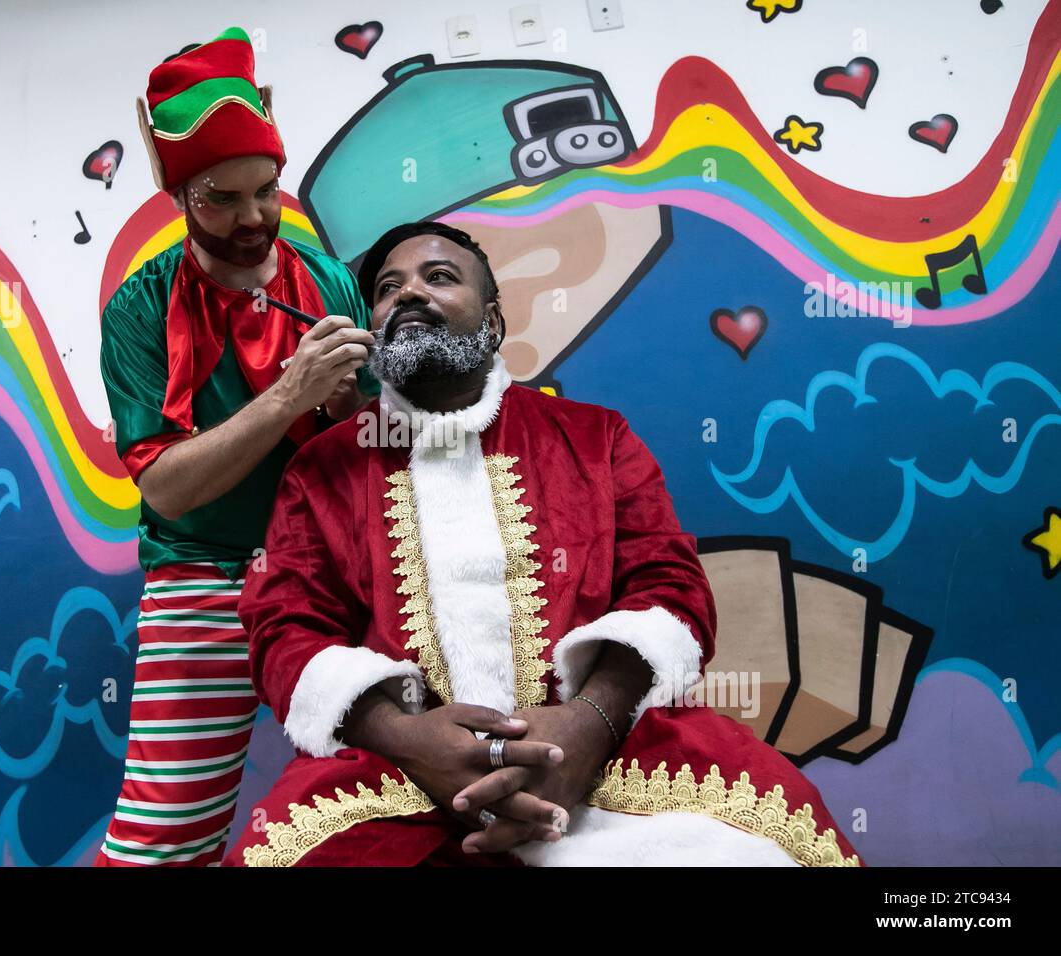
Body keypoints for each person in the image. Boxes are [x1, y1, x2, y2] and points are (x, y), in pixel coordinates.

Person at [221, 221, 863, 866]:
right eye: (389, 288)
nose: (410, 293)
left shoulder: (594, 438)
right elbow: (285, 628)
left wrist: (588, 726)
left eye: (439, 277)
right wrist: (408, 739)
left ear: (492, 322)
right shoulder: (323, 467)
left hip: (612, 753)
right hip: (395, 775)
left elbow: (671, 590)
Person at [94, 26, 376, 866]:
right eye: (225, 196)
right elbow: (169, 492)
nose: (256, 217)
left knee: (369, 816)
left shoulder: (327, 281)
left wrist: (348, 407)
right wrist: (288, 395)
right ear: (181, 195)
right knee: (163, 841)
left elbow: (364, 460)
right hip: (201, 574)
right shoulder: (139, 311)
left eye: (269, 189)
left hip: (330, 578)